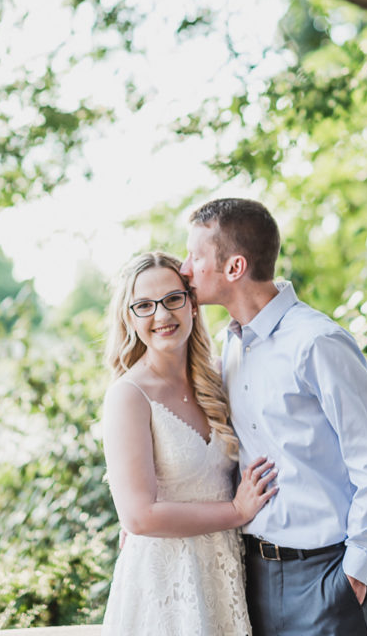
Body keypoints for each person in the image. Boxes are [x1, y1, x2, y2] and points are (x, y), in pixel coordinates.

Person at [180, 198, 367, 636]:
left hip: (325, 579)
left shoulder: (317, 343)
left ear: (234, 267)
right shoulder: (230, 348)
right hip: (247, 576)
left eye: (196, 256)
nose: (185, 268)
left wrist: (355, 574)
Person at [101, 250, 278, 636]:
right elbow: (138, 517)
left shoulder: (217, 379)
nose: (162, 316)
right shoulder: (128, 396)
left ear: (192, 304)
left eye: (172, 299)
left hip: (224, 575)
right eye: (144, 306)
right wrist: (236, 511)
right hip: (164, 586)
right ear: (129, 318)